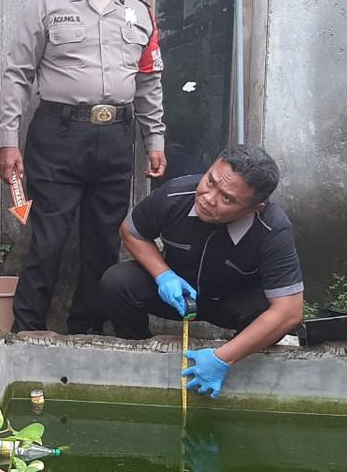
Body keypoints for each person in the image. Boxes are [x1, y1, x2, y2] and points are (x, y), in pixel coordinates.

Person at [0, 0, 167, 335]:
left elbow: (149, 81)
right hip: (58, 136)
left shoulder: (140, 13)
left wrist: (155, 140)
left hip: (116, 139)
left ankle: (85, 332)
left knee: (103, 244)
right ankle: (28, 330)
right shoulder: (46, 3)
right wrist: (8, 140)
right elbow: (18, 74)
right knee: (47, 241)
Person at [100, 144, 304, 397]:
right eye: (210, 181)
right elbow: (131, 232)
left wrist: (223, 358)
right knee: (117, 282)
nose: (208, 198)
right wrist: (163, 275)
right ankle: (139, 353)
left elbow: (290, 312)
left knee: (270, 310)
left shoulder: (273, 229)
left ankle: (231, 361)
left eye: (227, 198)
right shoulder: (175, 194)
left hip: (230, 304)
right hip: (179, 297)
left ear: (256, 207)